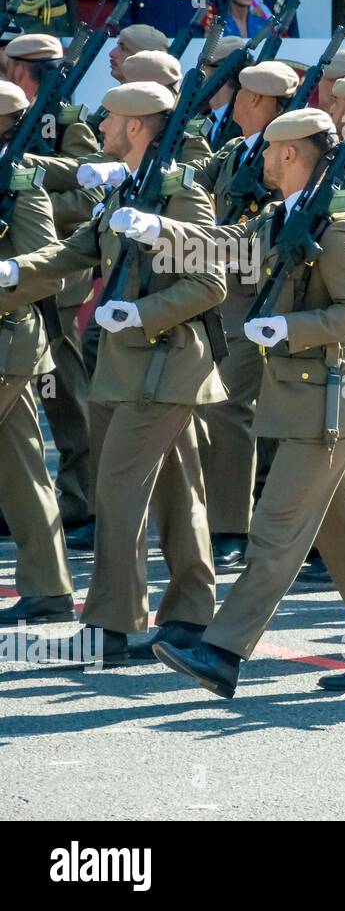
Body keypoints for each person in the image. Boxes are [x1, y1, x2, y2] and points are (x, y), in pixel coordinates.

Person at [137, 107, 345, 697]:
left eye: (268, 151)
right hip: (300, 405)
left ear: (290, 154)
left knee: (274, 530)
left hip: (326, 406)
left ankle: (223, 650)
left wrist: (288, 327)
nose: (260, 159)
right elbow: (222, 244)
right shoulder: (279, 218)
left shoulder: (336, 228)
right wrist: (159, 230)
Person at [8, 81, 226, 667]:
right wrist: (10, 271)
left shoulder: (179, 195)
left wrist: (139, 314)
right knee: (179, 496)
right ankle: (189, 615)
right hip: (131, 373)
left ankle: (112, 624)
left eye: (110, 121)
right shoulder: (127, 186)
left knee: (117, 489)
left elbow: (211, 281)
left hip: (167, 366)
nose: (99, 129)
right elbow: (74, 252)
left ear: (136, 126)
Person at [183, 60, 301, 571]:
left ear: (251, 101)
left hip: (274, 296)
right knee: (237, 407)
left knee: (240, 407)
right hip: (233, 298)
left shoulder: (292, 157)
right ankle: (243, 521)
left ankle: (238, 526)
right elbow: (191, 185)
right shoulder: (234, 153)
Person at [0, 78, 77, 626]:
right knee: (21, 468)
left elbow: (48, 263)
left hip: (7, 338)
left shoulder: (21, 179)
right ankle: (48, 587)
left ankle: (50, 588)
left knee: (21, 465)